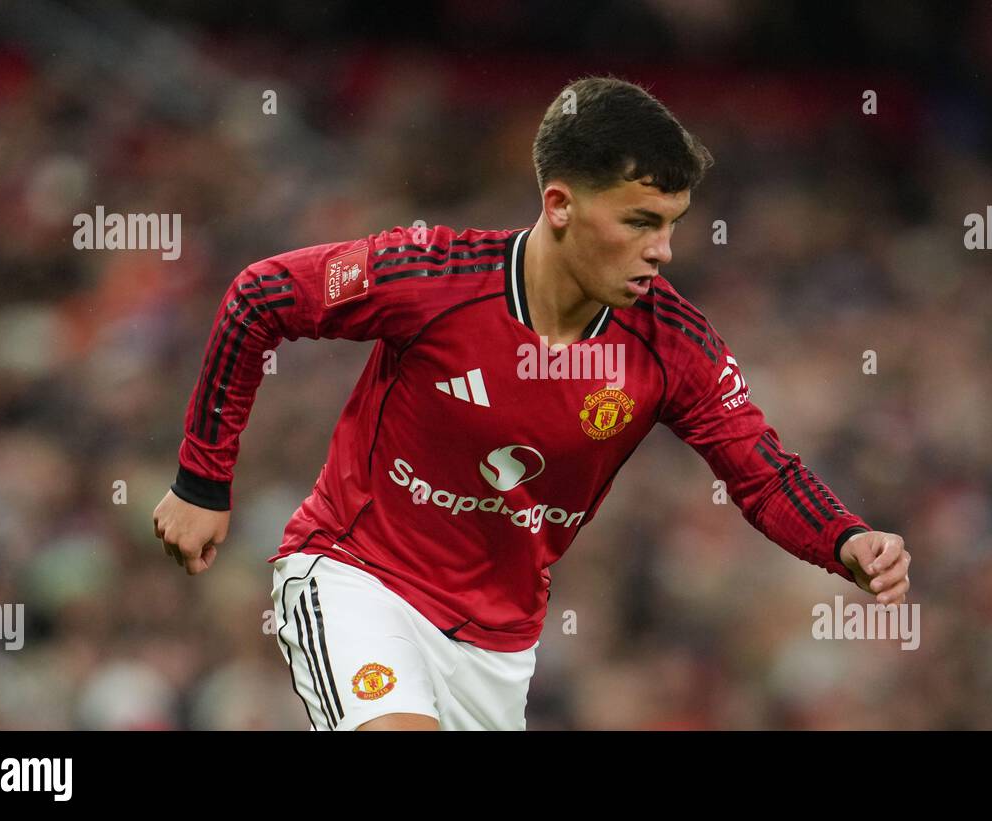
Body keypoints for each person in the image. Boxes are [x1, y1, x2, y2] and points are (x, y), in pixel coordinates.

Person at [152, 75, 911, 731]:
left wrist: (846, 539)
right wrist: (201, 479)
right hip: (357, 576)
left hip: (498, 645)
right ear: (560, 204)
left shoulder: (674, 346)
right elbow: (261, 297)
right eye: (641, 222)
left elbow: (762, 471)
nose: (663, 250)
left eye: (672, 224)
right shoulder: (435, 276)